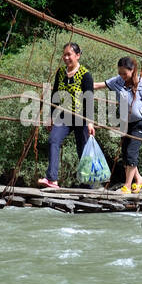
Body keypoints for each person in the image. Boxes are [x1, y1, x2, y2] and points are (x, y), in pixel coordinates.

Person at [94, 56, 142, 194]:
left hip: (139, 123)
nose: (122, 76)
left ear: (133, 70)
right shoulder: (117, 81)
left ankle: (127, 186)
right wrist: (80, 85)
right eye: (120, 73)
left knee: (131, 153)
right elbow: (98, 85)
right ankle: (139, 179)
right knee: (125, 155)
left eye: (125, 73)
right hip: (125, 123)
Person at [38, 42, 96, 188]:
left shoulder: (86, 75)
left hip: (80, 117)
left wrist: (90, 122)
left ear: (77, 55)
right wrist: (51, 116)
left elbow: (89, 99)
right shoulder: (61, 72)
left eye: (69, 54)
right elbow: (55, 94)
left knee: (82, 149)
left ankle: (88, 184)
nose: (66, 57)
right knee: (53, 140)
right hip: (63, 116)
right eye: (64, 54)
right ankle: (52, 179)